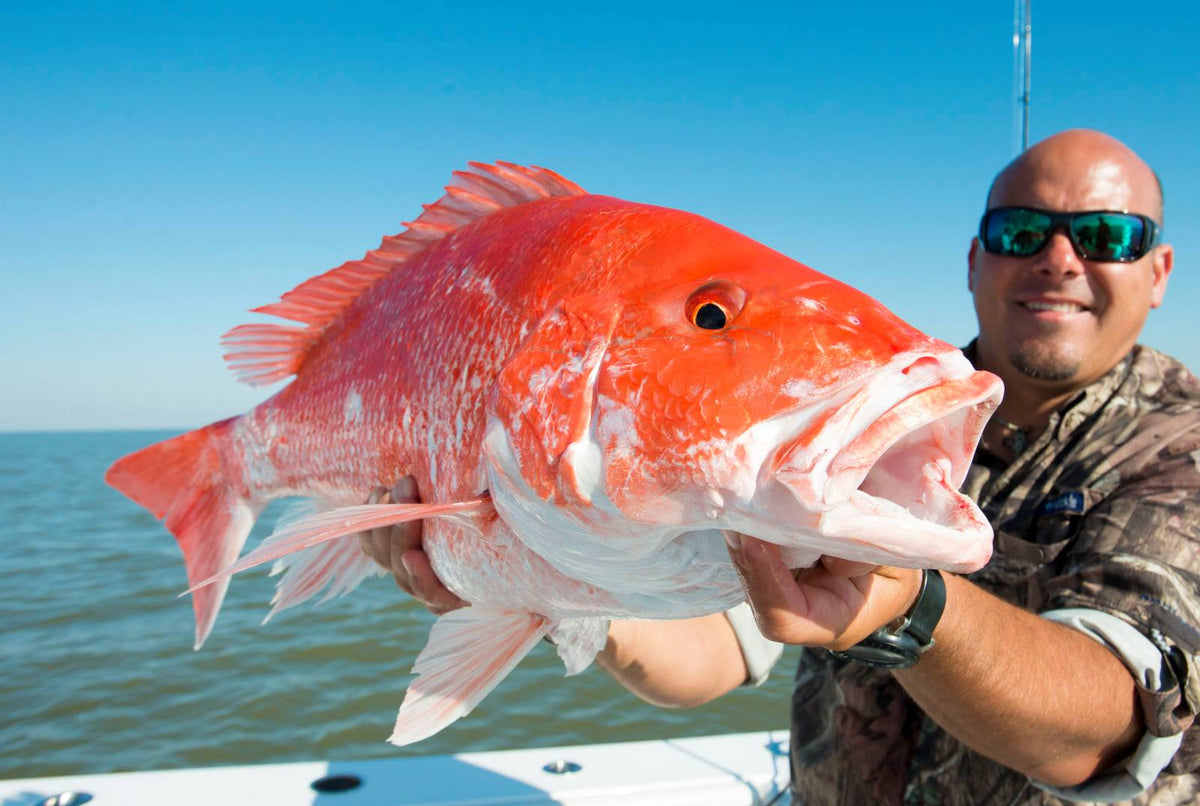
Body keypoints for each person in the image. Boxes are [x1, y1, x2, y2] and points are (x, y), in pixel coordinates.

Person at [359, 129, 1200, 804]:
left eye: (1105, 236)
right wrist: (567, 576)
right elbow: (712, 656)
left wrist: (906, 605)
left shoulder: (1182, 443)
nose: (1058, 259)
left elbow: (1108, 724)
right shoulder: (814, 440)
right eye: (1020, 231)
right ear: (975, 261)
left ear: (1159, 274)